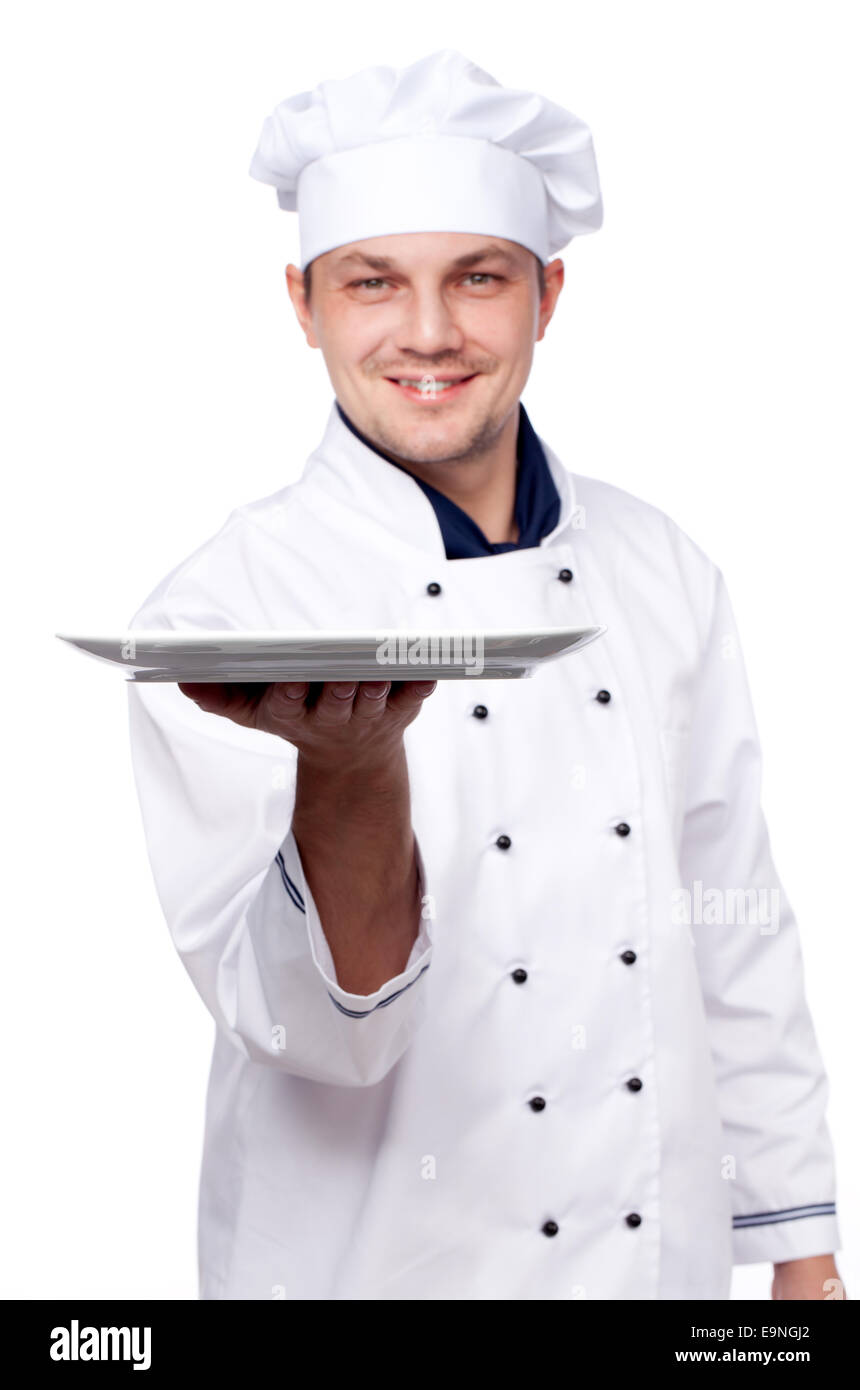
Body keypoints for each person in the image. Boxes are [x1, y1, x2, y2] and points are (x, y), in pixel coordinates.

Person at [126, 49, 842, 1300]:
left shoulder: (660, 569)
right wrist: (350, 778)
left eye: (478, 278)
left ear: (547, 294)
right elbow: (299, 1028)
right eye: (371, 283)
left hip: (652, 1272)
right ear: (302, 304)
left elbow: (732, 920)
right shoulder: (229, 607)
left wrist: (798, 1246)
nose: (428, 334)